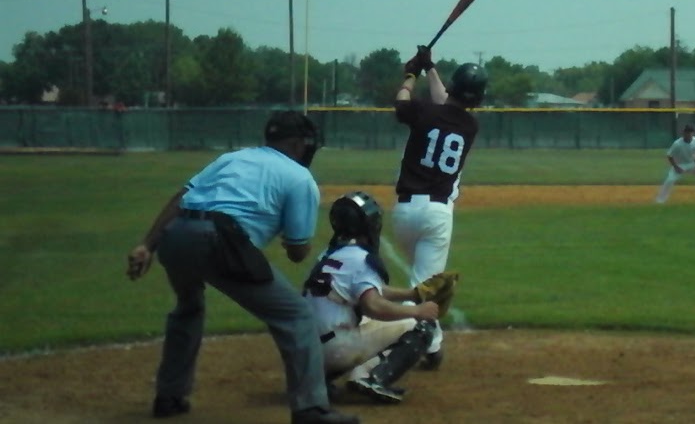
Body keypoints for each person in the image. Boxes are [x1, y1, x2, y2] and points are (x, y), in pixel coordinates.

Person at [125, 110, 358, 424]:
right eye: (306, 142)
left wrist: (146, 245)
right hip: (219, 240)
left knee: (188, 307)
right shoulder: (300, 177)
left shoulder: (232, 158)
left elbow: (182, 197)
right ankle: (311, 409)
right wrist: (292, 241)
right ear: (296, 143)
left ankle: (169, 396)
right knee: (295, 315)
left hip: (175, 236)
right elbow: (298, 252)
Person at [390, 46, 487, 369]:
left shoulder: (426, 113)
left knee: (421, 285)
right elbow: (447, 103)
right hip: (436, 215)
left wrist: (411, 74)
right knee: (423, 291)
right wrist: (429, 68)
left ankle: (432, 347)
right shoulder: (470, 127)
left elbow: (402, 102)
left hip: (403, 214)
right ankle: (404, 347)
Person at [304, 191, 441, 405]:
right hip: (336, 350)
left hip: (307, 354)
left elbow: (367, 290)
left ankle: (319, 381)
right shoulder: (362, 258)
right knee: (422, 325)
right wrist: (417, 310)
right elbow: (372, 305)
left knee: (356, 319)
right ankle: (372, 378)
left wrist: (412, 295)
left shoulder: (328, 255)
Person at [655, 123, 695, 204]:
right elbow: (669, 156)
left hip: (692, 163)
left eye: (690, 132)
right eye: (687, 132)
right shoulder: (677, 144)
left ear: (693, 133)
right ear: (683, 133)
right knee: (670, 180)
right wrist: (676, 167)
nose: (688, 134)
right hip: (680, 164)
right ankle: (660, 200)